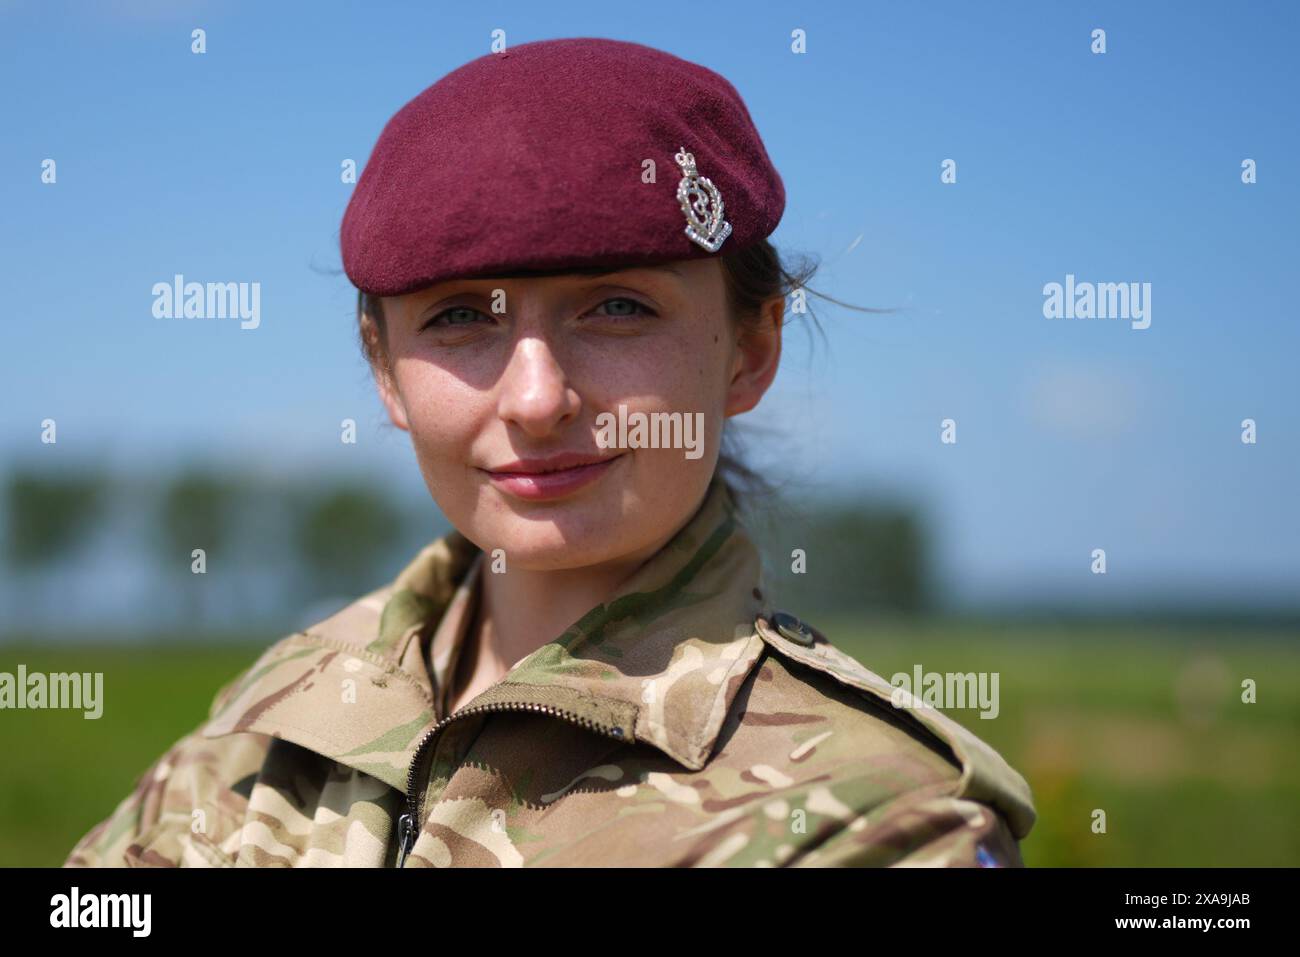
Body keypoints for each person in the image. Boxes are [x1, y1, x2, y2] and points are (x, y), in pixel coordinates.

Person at [64, 36, 1035, 868]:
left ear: (750, 349)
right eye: (457, 319)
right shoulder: (252, 750)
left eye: (617, 307)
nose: (535, 400)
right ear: (385, 372)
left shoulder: (873, 821)